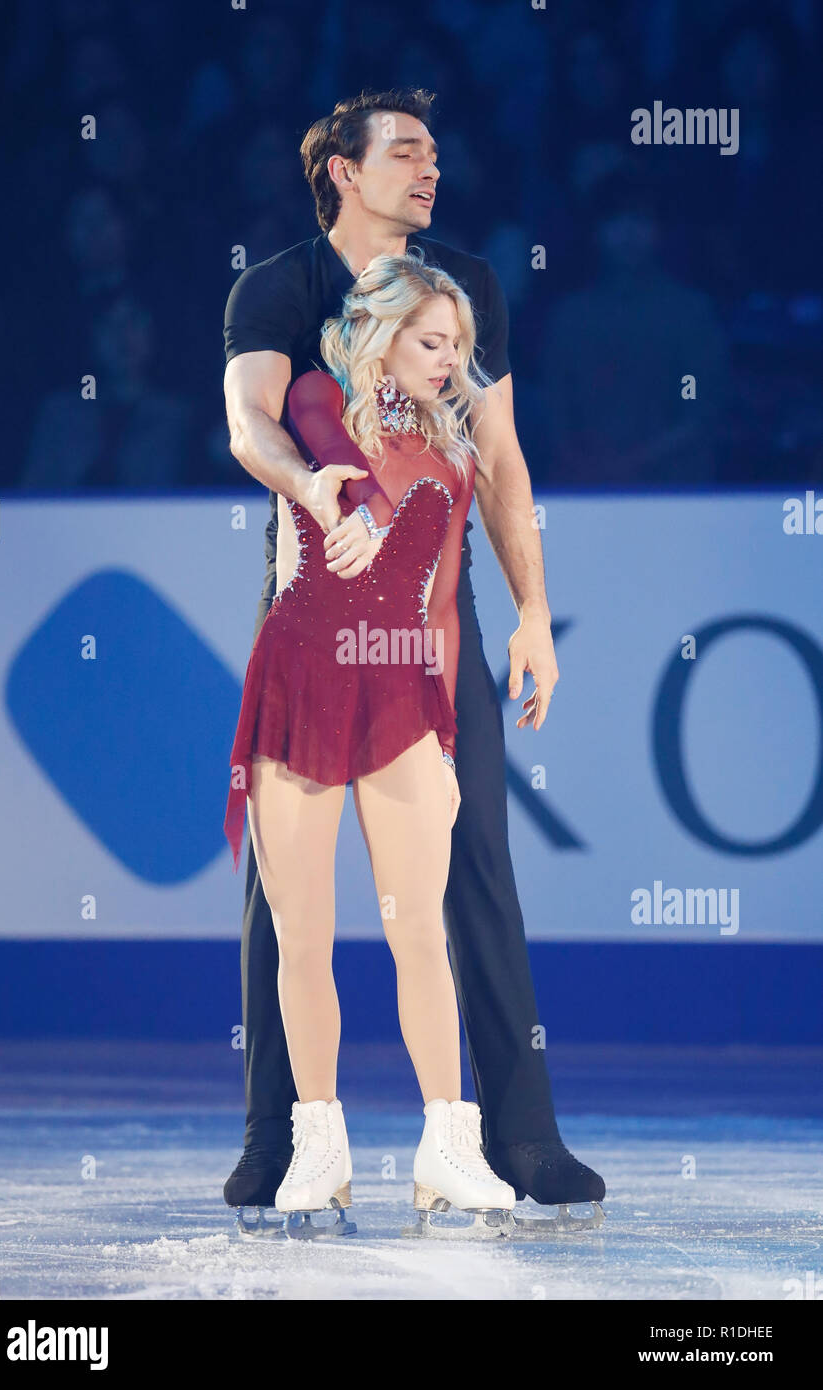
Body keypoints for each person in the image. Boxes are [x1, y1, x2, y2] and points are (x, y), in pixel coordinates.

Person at [222, 87, 605, 1225]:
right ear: (341, 169)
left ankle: (517, 1134)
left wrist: (532, 609)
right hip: (308, 598)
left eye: (434, 150)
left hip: (435, 611)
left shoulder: (468, 285)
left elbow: (498, 459)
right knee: (282, 891)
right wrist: (309, 482)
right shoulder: (277, 288)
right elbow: (252, 423)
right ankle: (278, 1134)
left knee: (472, 849)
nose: (428, 166)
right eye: (403, 150)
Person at [225, 253, 518, 1230]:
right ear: (381, 332)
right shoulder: (311, 399)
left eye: (458, 348)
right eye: (430, 341)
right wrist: (333, 501)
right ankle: (319, 1143)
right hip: (302, 675)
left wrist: (441, 735)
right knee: (301, 938)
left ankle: (448, 1142)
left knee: (418, 934)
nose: (447, 362)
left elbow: (437, 605)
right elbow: (323, 459)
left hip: (396, 688)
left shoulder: (452, 451)